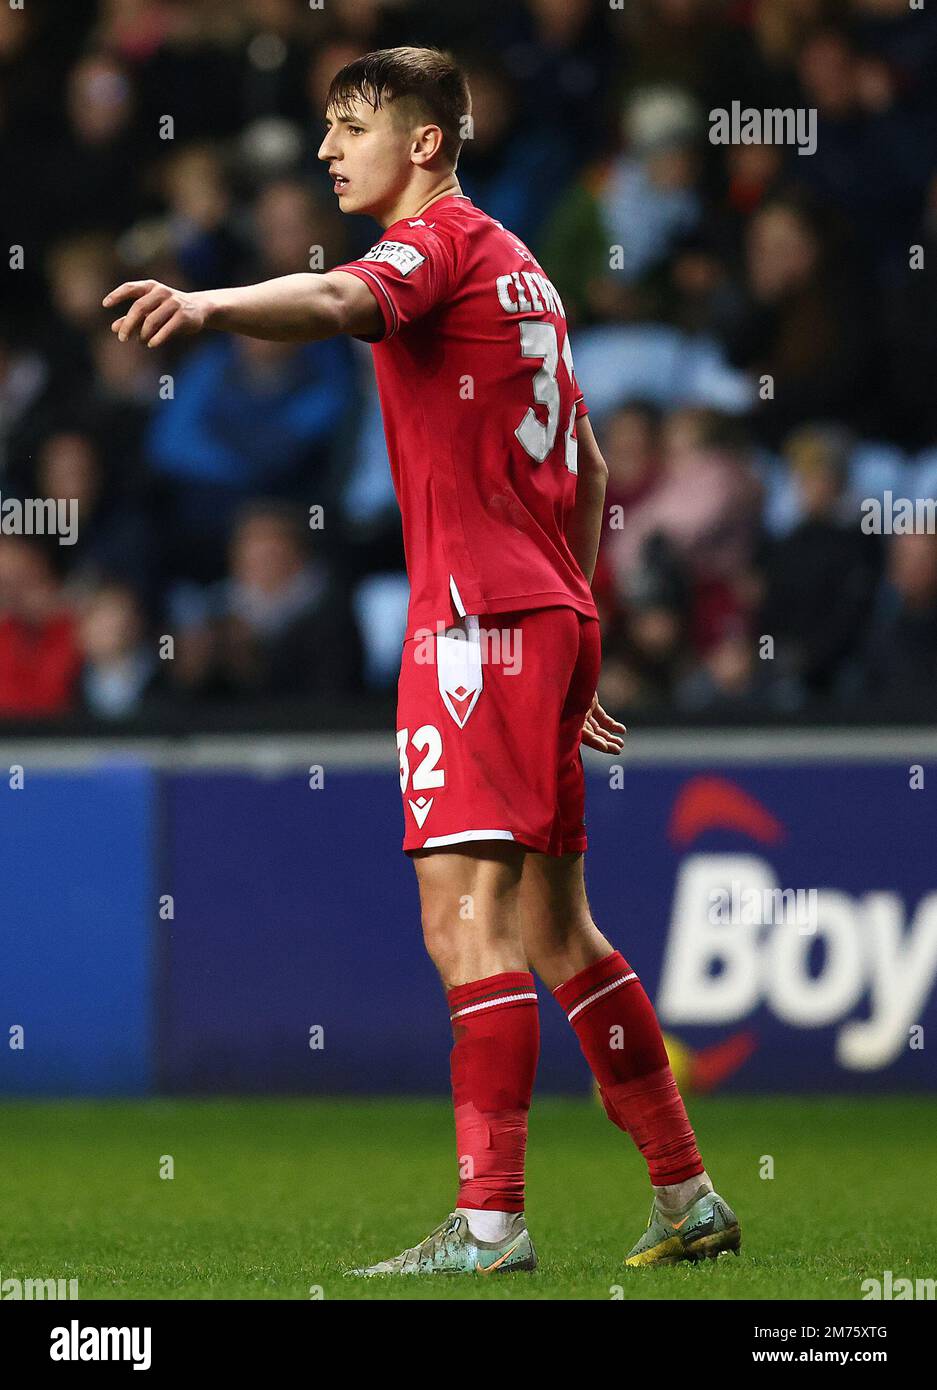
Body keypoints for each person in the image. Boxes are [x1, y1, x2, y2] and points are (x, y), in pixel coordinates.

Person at [104, 45, 739, 1277]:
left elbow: (345, 305)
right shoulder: (528, 270)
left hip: (474, 623)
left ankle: (491, 1222)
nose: (333, 150)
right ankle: (686, 1194)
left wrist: (209, 305)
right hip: (543, 611)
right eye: (328, 129)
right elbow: (593, 468)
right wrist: (571, 622)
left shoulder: (438, 242)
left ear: (427, 143)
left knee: (465, 919)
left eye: (352, 127)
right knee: (562, 928)